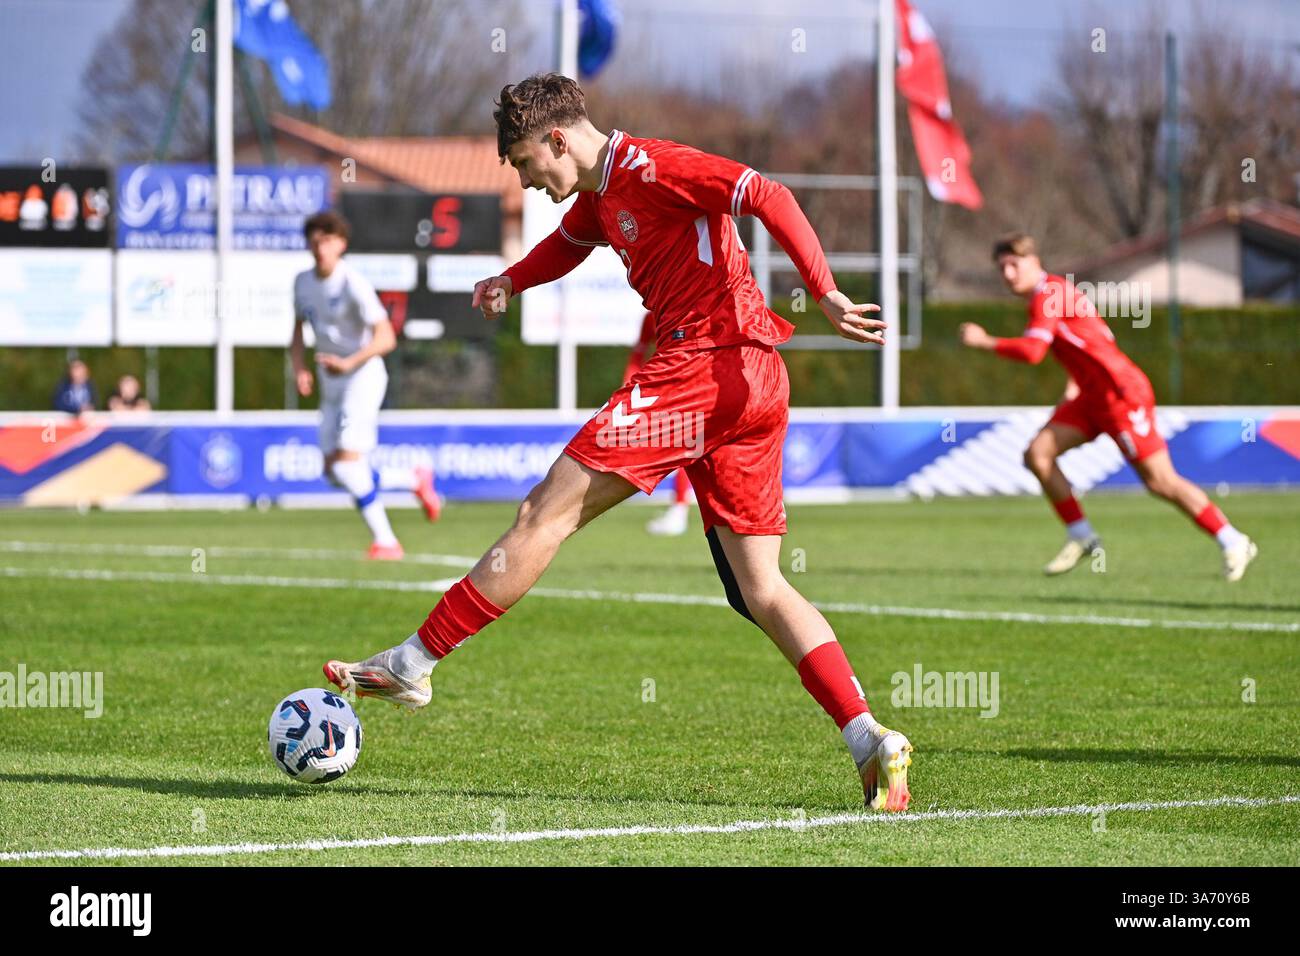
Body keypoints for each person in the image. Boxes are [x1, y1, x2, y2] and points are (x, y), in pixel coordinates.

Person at [325, 74, 913, 812]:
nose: (529, 182)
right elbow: (568, 246)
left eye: (525, 164)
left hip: (703, 365)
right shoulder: (602, 197)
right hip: (755, 379)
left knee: (546, 513)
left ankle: (414, 661)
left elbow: (765, 192)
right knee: (759, 588)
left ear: (558, 140)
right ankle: (869, 738)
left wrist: (822, 288)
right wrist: (512, 279)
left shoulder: (653, 166)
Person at [959, 233, 1257, 581]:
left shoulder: (1049, 294)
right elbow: (1091, 342)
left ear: (1035, 260)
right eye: (1002, 268)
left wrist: (983, 341)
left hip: (1121, 395)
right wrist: (1075, 385)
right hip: (1091, 397)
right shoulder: (1053, 294)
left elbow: (1033, 351)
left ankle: (1233, 539)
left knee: (1160, 481)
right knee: (1038, 455)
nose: (1009, 274)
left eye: (1015, 264)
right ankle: (1082, 536)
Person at [290, 211, 442, 560]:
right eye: (314, 241)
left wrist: (348, 362)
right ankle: (412, 479)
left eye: (327, 241)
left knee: (346, 465)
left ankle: (387, 542)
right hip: (331, 382)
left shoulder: (351, 282)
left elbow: (386, 337)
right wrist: (300, 367)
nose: (320, 248)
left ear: (341, 244)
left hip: (362, 375)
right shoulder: (301, 282)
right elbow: (297, 328)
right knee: (333, 472)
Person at [625, 311, 693, 536]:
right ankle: (679, 510)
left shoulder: (695, 309)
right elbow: (638, 355)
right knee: (686, 448)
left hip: (698, 385)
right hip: (672, 388)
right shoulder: (650, 318)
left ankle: (765, 502)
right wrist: (628, 388)